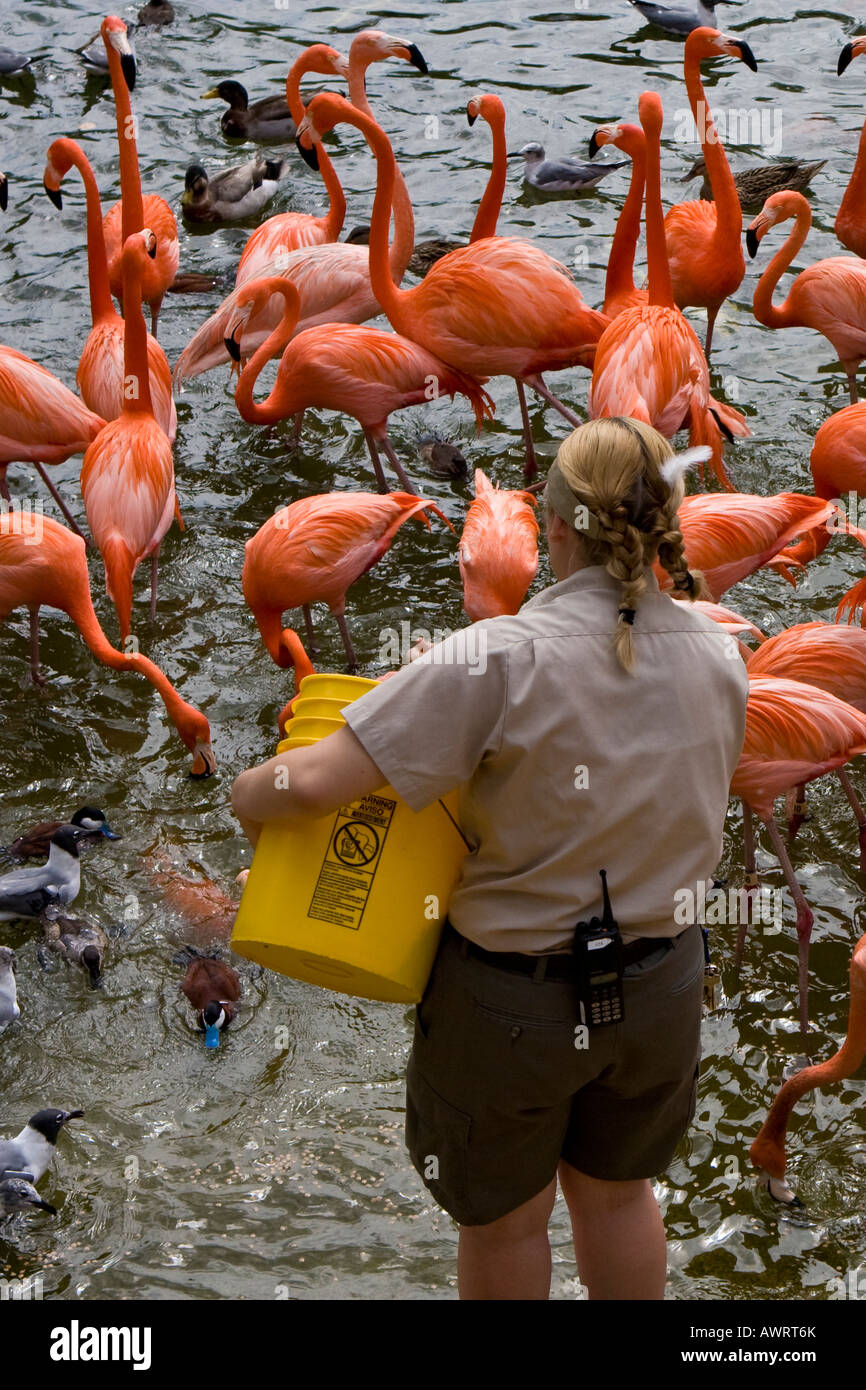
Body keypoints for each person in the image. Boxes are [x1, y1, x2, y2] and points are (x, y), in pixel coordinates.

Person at [231, 417, 749, 1301]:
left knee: (507, 1222)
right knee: (620, 1198)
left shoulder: (494, 658)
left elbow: (315, 783)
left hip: (517, 1002)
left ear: (552, 529)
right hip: (662, 989)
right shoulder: (720, 652)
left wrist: (250, 794)